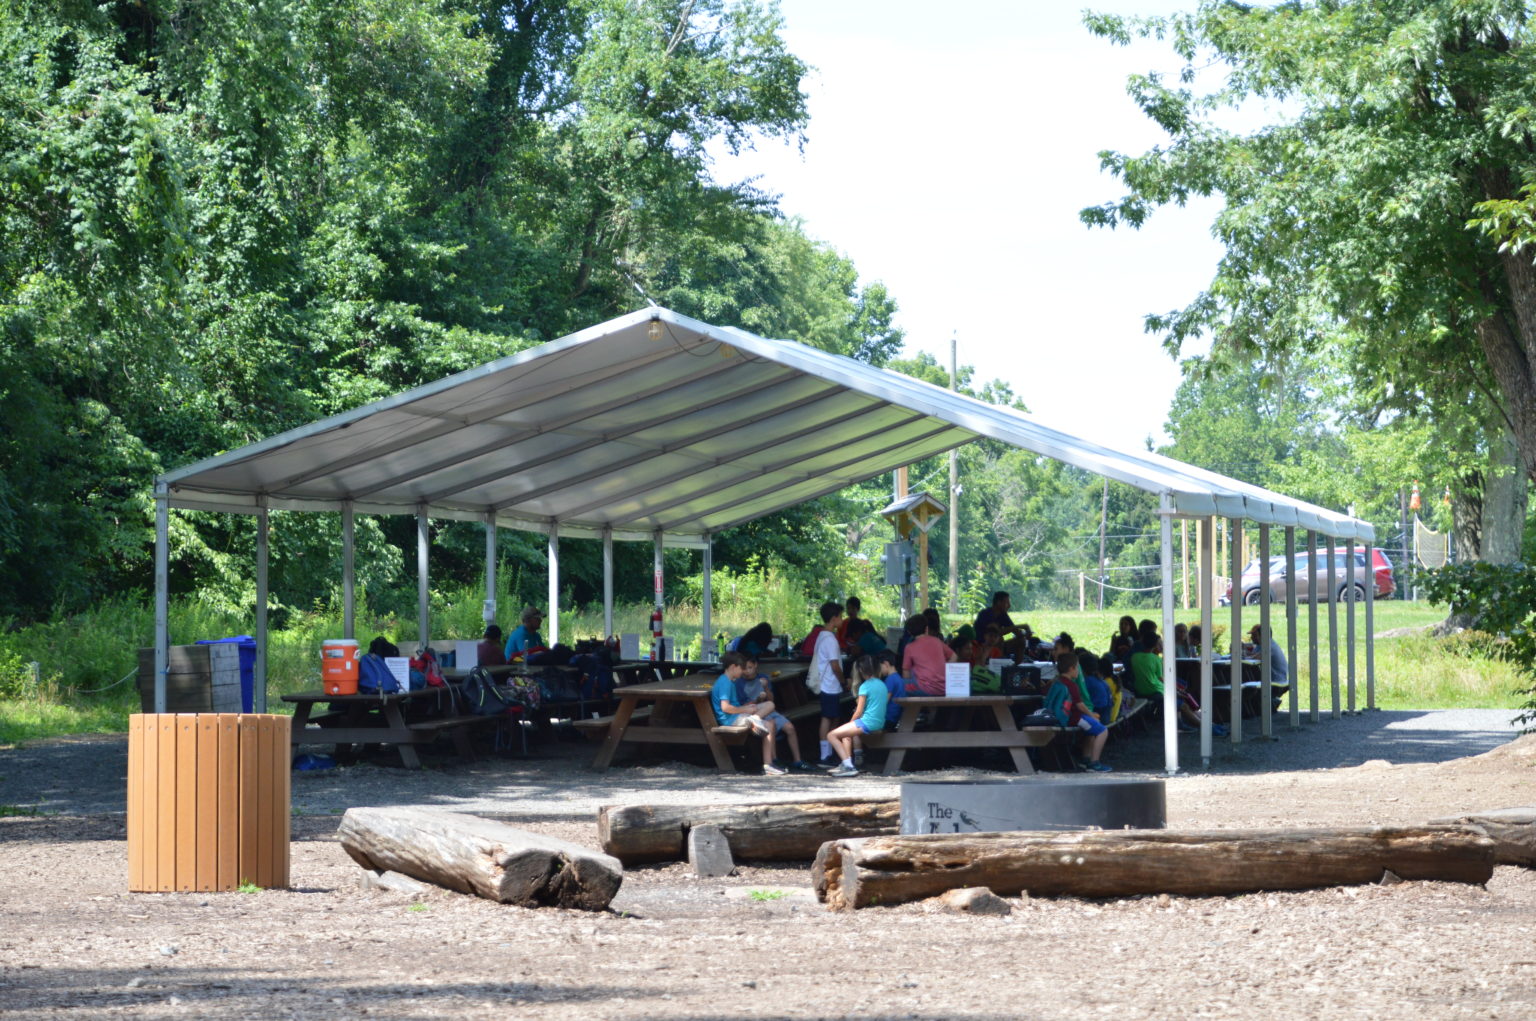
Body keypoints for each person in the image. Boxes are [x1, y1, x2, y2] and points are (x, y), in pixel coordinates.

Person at [709, 652, 786, 775]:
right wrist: (745, 710)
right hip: (731, 720)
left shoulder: (730, 681)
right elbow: (726, 707)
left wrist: (748, 707)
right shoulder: (725, 683)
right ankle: (768, 764)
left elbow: (733, 706)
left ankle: (755, 718)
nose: (743, 672)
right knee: (769, 725)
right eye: (742, 668)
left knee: (770, 705)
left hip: (738, 715)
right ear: (733, 667)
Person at [739, 654, 817, 772]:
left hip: (769, 709)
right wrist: (757, 700)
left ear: (755, 665)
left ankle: (797, 760)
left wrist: (765, 689)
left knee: (790, 728)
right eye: (744, 669)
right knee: (772, 725)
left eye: (749, 668)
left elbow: (771, 700)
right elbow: (743, 705)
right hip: (754, 712)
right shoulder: (740, 683)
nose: (747, 672)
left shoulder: (763, 678)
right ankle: (774, 760)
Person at [826, 654, 890, 777]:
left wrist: (850, 722)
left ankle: (848, 767)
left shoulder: (864, 687)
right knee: (846, 736)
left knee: (831, 735)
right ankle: (847, 763)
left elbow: (859, 712)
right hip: (879, 722)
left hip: (868, 722)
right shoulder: (882, 684)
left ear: (860, 670)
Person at [1046, 652, 1111, 772]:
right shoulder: (1072, 685)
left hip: (1061, 716)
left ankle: (1086, 759)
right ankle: (1094, 762)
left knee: (1091, 730)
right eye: (1077, 668)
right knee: (1102, 730)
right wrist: (1092, 714)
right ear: (1071, 669)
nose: (1078, 671)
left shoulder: (1057, 681)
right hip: (1074, 718)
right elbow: (1080, 705)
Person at [811, 601, 847, 768]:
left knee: (832, 717)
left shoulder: (821, 635)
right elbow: (834, 665)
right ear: (834, 618)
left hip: (827, 684)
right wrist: (843, 680)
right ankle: (825, 755)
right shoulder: (830, 639)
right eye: (841, 617)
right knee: (828, 718)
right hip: (830, 684)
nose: (842, 620)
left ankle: (829, 752)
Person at [901, 612, 957, 695]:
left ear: (909, 632)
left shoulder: (909, 647)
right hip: (943, 688)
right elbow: (954, 656)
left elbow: (906, 672)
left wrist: (907, 685)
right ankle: (932, 708)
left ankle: (910, 706)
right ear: (926, 629)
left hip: (923, 689)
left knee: (901, 682)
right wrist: (945, 671)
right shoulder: (937, 641)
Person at [874, 649, 911, 730]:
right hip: (895, 718)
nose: (879, 670)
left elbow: (884, 701)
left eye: (879, 667)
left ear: (886, 663)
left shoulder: (890, 679)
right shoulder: (898, 678)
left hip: (888, 719)